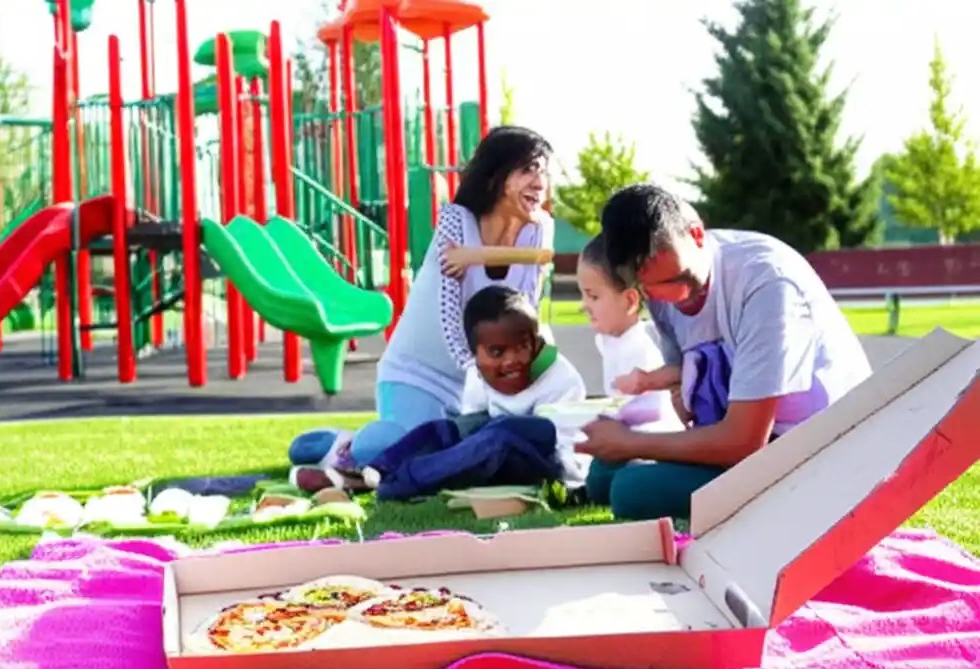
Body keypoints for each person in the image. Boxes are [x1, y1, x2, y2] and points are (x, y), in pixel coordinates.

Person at [574, 183, 872, 521]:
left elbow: (743, 442)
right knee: (603, 475)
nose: (675, 297)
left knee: (631, 490)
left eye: (680, 279)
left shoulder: (767, 284)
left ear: (697, 234)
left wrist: (631, 443)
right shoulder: (661, 284)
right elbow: (686, 382)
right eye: (651, 289)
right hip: (746, 444)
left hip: (813, 455)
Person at [350, 126, 556, 464]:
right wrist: (489, 374)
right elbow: (449, 319)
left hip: (481, 381)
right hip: (419, 375)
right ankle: (341, 449)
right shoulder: (455, 221)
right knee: (395, 452)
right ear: (496, 176)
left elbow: (526, 311)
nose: (539, 182)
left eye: (544, 172)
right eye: (527, 170)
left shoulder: (539, 229)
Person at [360, 285, 587, 499]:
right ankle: (381, 467)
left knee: (504, 433)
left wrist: (567, 488)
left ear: (536, 343)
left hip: (541, 460)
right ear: (475, 356)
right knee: (447, 428)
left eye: (522, 346)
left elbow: (564, 455)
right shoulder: (478, 374)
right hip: (489, 451)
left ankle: (405, 482)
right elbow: (471, 428)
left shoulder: (561, 379)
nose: (512, 360)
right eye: (497, 352)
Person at [575, 234, 685, 434]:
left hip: (653, 439)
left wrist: (604, 415)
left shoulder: (644, 348)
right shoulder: (606, 340)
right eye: (582, 295)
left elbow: (654, 410)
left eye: (593, 296)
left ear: (630, 301)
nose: (584, 305)